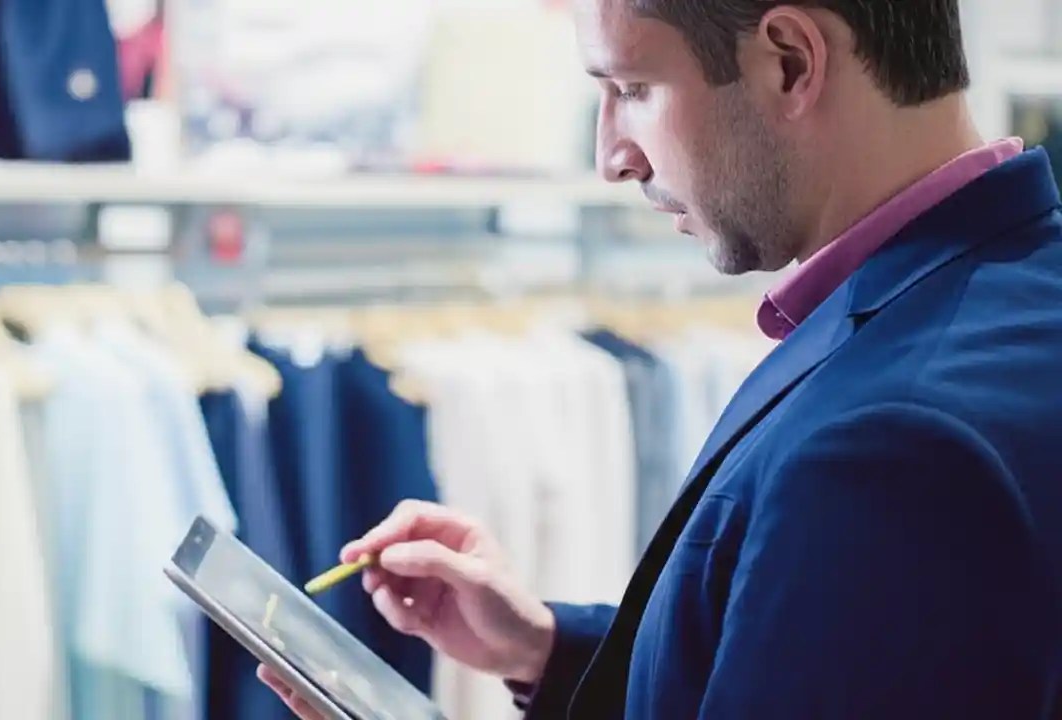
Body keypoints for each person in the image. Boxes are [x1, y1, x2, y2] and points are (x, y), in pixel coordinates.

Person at [259, 0, 1062, 717]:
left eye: (633, 89)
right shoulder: (1014, 295)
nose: (613, 157)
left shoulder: (888, 446)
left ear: (789, 62)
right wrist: (546, 649)